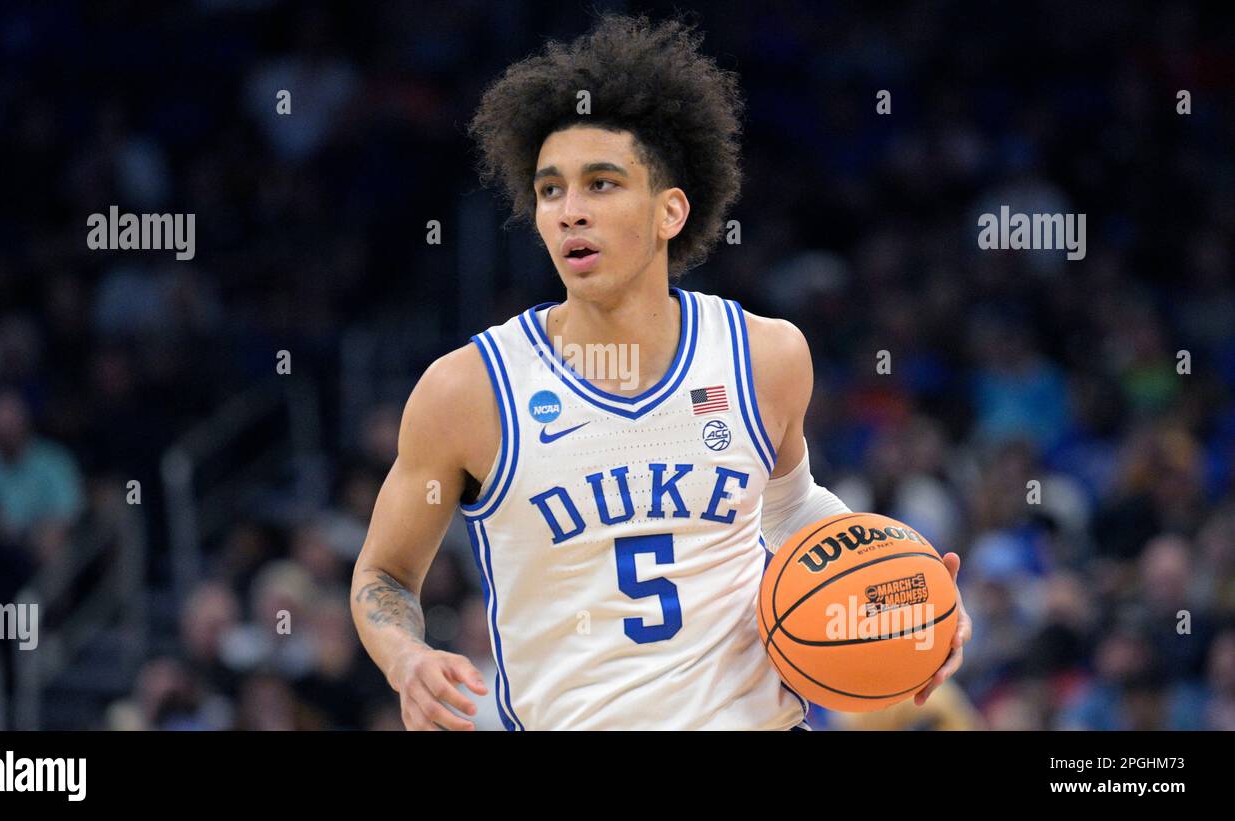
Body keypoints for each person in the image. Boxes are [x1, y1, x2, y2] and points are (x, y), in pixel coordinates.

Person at [349, 12, 971, 730]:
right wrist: (406, 657)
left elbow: (792, 507)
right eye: (550, 190)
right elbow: (385, 574)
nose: (569, 212)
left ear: (671, 210)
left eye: (602, 184)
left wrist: (906, 591)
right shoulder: (469, 391)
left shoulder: (764, 356)